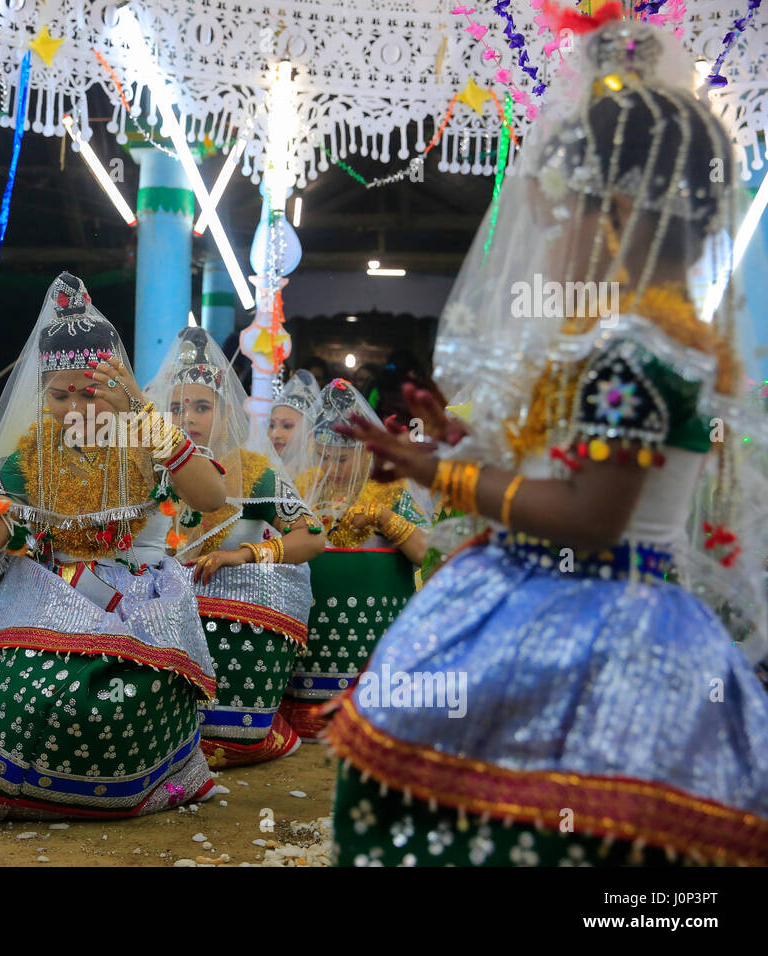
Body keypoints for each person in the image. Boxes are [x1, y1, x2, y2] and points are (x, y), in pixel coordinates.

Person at [323, 14, 768, 866]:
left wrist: (441, 472)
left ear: (620, 216)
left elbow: (591, 516)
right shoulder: (648, 342)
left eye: (562, 216)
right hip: (607, 607)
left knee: (500, 818)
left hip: (585, 620)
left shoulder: (628, 355)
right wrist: (469, 444)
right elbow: (565, 469)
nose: (548, 241)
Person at [0, 272, 227, 821]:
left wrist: (139, 409)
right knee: (20, 693)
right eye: (59, 394)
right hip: (45, 591)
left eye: (90, 393)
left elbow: (211, 496)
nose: (74, 410)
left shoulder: (146, 442)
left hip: (138, 603)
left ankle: (128, 785)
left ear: (119, 384)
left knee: (121, 704)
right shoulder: (26, 459)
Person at [146, 328, 324, 767]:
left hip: (224, 636)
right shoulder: (143, 469)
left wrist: (244, 555)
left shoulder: (253, 471)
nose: (186, 418)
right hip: (152, 628)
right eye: (175, 408)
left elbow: (312, 535)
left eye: (202, 407)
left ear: (227, 415)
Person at [278, 379, 429, 741]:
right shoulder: (304, 486)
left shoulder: (392, 490)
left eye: (341, 459)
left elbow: (427, 554)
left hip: (370, 634)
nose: (331, 467)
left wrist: (383, 518)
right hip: (310, 642)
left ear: (367, 454)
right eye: (323, 457)